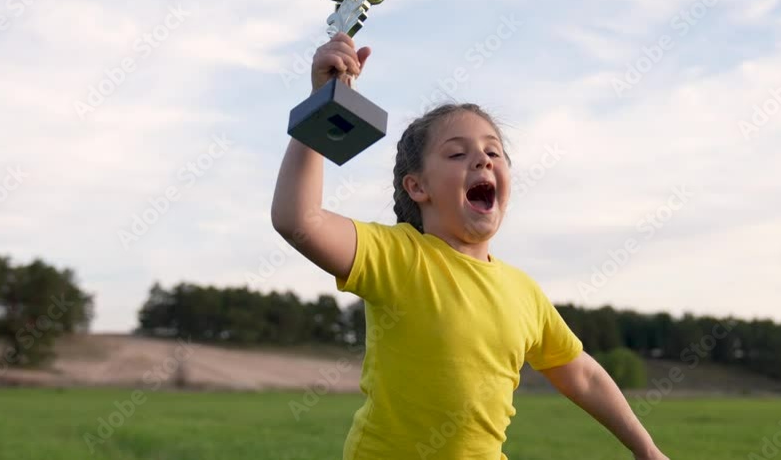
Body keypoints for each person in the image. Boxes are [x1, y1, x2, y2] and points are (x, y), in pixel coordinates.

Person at [271, 33, 669, 460]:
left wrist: (647, 450)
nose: (482, 160)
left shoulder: (524, 293)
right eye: (457, 154)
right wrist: (324, 104)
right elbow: (299, 220)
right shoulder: (399, 256)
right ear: (417, 186)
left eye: (493, 153)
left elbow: (582, 375)